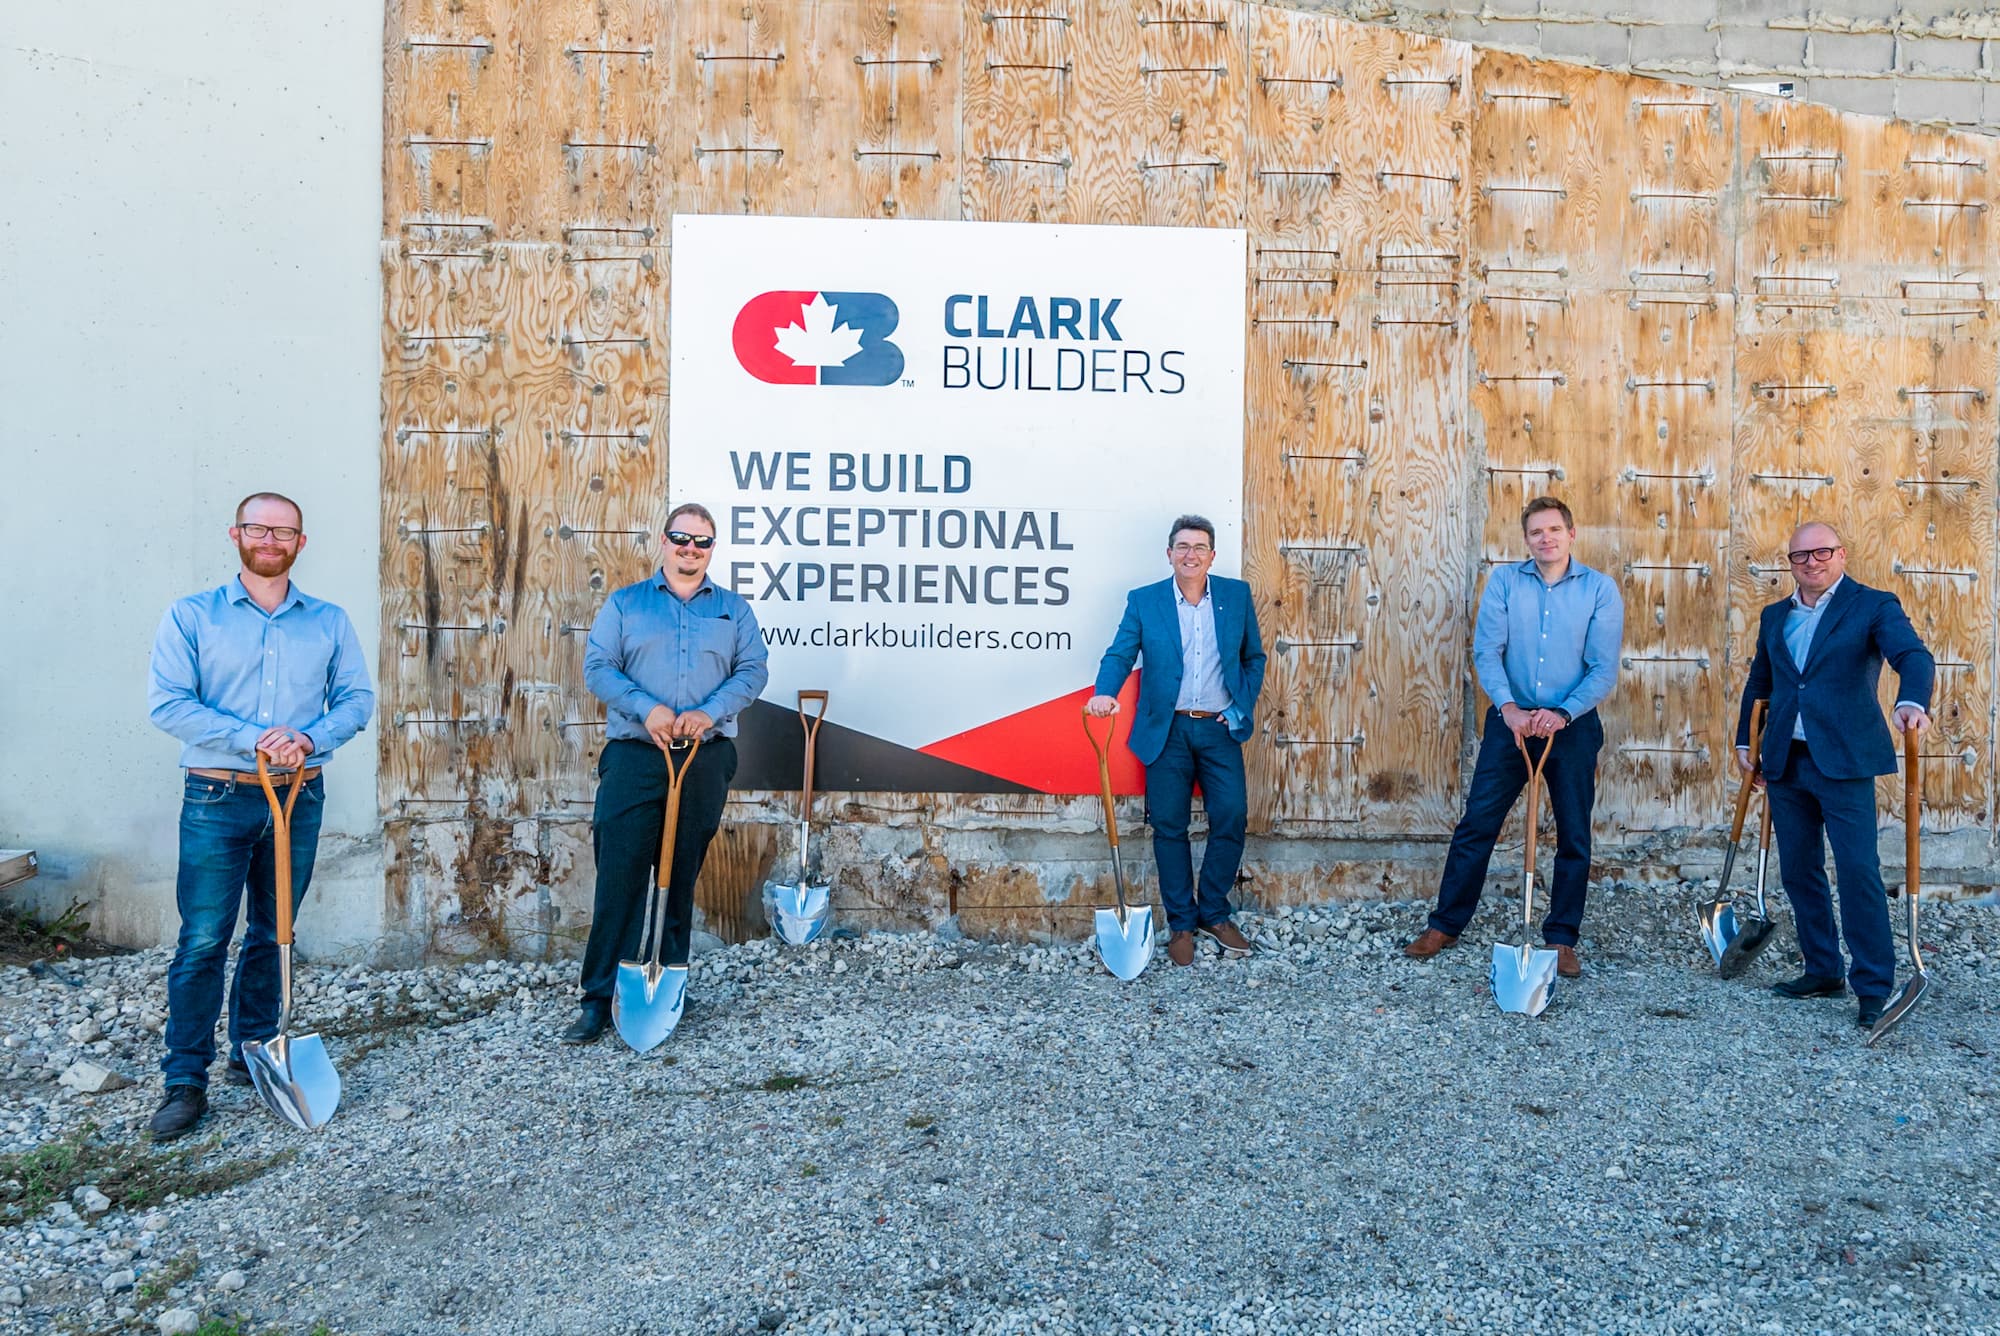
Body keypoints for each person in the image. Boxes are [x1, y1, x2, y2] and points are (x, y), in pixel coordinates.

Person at [145, 492, 375, 1140]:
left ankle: (256, 1051)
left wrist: (306, 738)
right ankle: (184, 1080)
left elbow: (357, 699)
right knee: (203, 939)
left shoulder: (328, 622)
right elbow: (168, 703)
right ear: (236, 534)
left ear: (301, 542)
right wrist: (254, 736)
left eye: (285, 530)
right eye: (259, 527)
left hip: (298, 795)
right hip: (217, 796)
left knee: (275, 932)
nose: (270, 538)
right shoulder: (192, 616)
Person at [561, 503, 770, 1043]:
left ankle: (667, 977)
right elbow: (599, 666)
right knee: (621, 874)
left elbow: (753, 670)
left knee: (679, 871)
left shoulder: (733, 611)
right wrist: (647, 708)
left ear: (712, 549)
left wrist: (709, 711)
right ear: (664, 541)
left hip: (703, 756)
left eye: (701, 542)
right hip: (637, 754)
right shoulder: (626, 604)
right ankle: (599, 995)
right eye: (681, 538)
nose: (690, 549)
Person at [1405, 497, 1622, 977]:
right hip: (1512, 724)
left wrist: (1562, 713)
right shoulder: (1505, 581)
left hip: (1571, 725)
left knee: (1574, 832)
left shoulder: (1599, 590)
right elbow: (1487, 650)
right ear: (1526, 539)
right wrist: (1509, 709)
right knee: (1478, 823)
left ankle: (1562, 937)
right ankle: (1446, 923)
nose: (1545, 539)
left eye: (1553, 530)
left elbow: (1603, 667)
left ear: (1571, 533)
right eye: (1535, 532)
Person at [1735, 521, 1933, 1029]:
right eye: (1800, 555)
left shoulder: (1872, 606)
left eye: (1821, 552)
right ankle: (1822, 969)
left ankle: (1873, 987)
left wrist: (1912, 699)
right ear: (1791, 562)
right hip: (1785, 759)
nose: (1811, 562)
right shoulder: (1775, 614)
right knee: (1799, 871)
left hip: (1844, 760)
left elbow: (1912, 656)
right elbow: (1763, 679)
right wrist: (1746, 741)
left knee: (1857, 871)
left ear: (1841, 555)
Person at [1087, 515, 1267, 967]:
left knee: (1231, 816)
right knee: (1169, 826)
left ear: (1212, 555)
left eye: (1199, 547)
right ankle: (1182, 923)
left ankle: (1214, 911)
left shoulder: (1234, 596)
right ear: (1170, 554)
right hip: (1166, 730)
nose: (1191, 554)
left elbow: (1253, 657)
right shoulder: (1146, 601)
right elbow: (1120, 652)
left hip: (1219, 727)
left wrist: (1239, 707)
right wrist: (1104, 692)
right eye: (1182, 546)